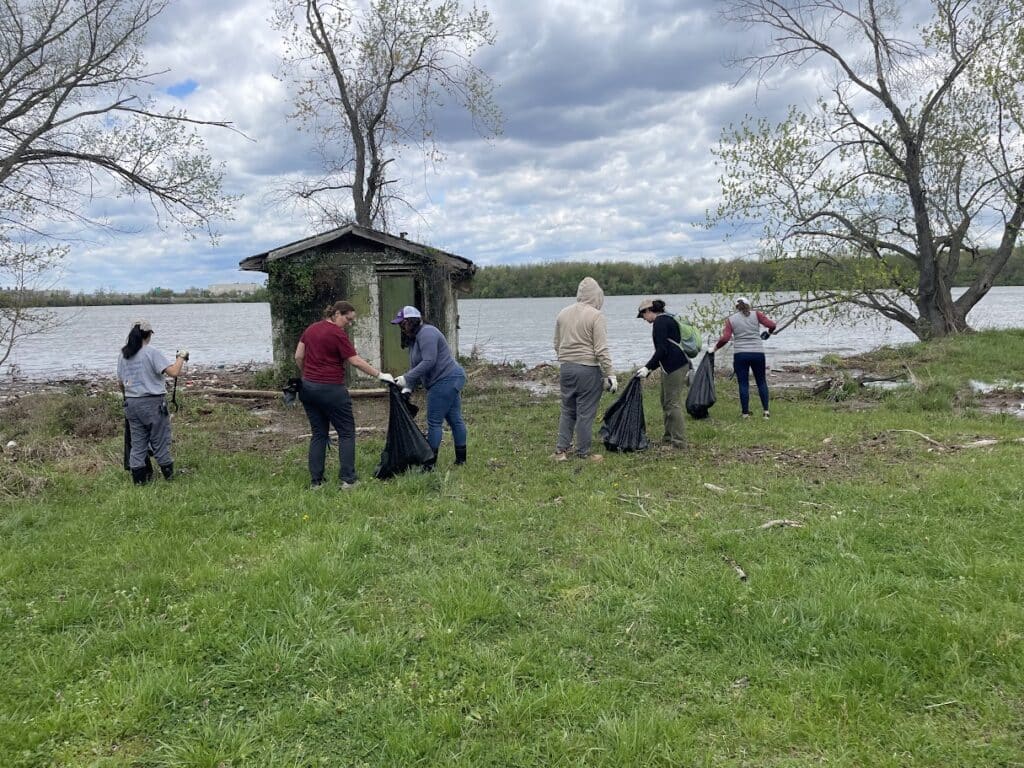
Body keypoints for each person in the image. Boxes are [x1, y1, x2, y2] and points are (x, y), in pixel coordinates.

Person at [295, 301, 395, 489]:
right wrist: (380, 375)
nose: (349, 323)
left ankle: (316, 482)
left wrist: (307, 375)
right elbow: (355, 360)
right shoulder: (337, 334)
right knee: (346, 433)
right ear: (337, 314)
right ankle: (348, 480)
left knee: (318, 434)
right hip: (332, 389)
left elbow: (298, 356)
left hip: (308, 388)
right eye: (348, 319)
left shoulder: (311, 329)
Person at [391, 305, 467, 470]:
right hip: (449, 379)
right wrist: (407, 388)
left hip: (446, 379)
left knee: (434, 422)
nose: (402, 328)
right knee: (454, 419)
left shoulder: (428, 333)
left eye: (403, 324)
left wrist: (405, 378)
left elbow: (429, 361)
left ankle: (429, 464)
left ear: (412, 321)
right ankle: (461, 461)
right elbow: (415, 368)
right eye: (399, 325)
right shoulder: (414, 340)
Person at [552, 276, 616, 462]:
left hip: (566, 368)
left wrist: (566, 359)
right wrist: (610, 373)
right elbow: (601, 349)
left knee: (567, 410)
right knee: (585, 412)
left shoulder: (563, 313)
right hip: (588, 369)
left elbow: (556, 343)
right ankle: (583, 452)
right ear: (597, 296)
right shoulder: (596, 316)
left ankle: (561, 451)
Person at [117, 319, 188, 484]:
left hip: (132, 404)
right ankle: (170, 479)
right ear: (148, 334)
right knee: (160, 441)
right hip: (152, 404)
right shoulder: (151, 352)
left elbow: (120, 383)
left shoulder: (124, 354)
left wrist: (128, 398)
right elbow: (174, 372)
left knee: (138, 444)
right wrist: (181, 357)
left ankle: (140, 483)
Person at [634, 298, 689, 448]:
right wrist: (650, 369)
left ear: (648, 311)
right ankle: (668, 437)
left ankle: (679, 442)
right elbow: (664, 351)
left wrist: (647, 367)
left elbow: (662, 350)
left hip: (675, 367)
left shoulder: (660, 322)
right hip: (671, 366)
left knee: (672, 403)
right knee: (665, 401)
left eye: (643, 316)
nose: (644, 319)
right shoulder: (666, 320)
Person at [713, 296, 778, 419]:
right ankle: (766, 412)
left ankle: (745, 414)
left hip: (740, 354)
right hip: (757, 353)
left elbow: (725, 338)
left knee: (743, 384)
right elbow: (772, 325)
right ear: (749, 305)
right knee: (761, 382)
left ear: (736, 307)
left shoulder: (731, 320)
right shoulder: (756, 314)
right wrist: (768, 334)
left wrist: (715, 349)